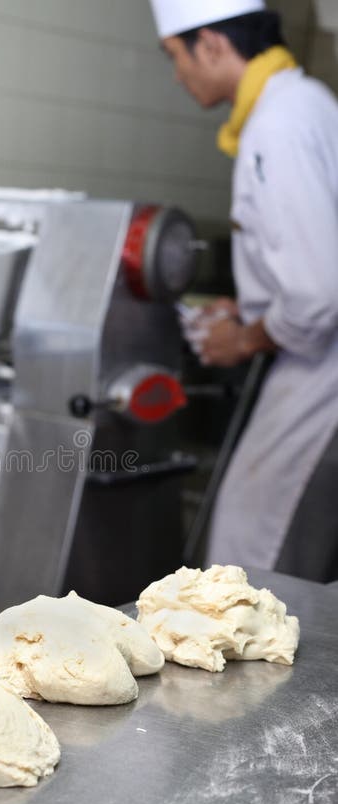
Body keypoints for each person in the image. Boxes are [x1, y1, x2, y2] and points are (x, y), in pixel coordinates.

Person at [149, 0, 338, 581]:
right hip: (312, 360)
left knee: (250, 555)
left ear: (211, 44)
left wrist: (244, 339)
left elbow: (318, 298)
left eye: (175, 56)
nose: (178, 74)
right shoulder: (304, 104)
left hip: (321, 372)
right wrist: (251, 306)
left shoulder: (277, 125)